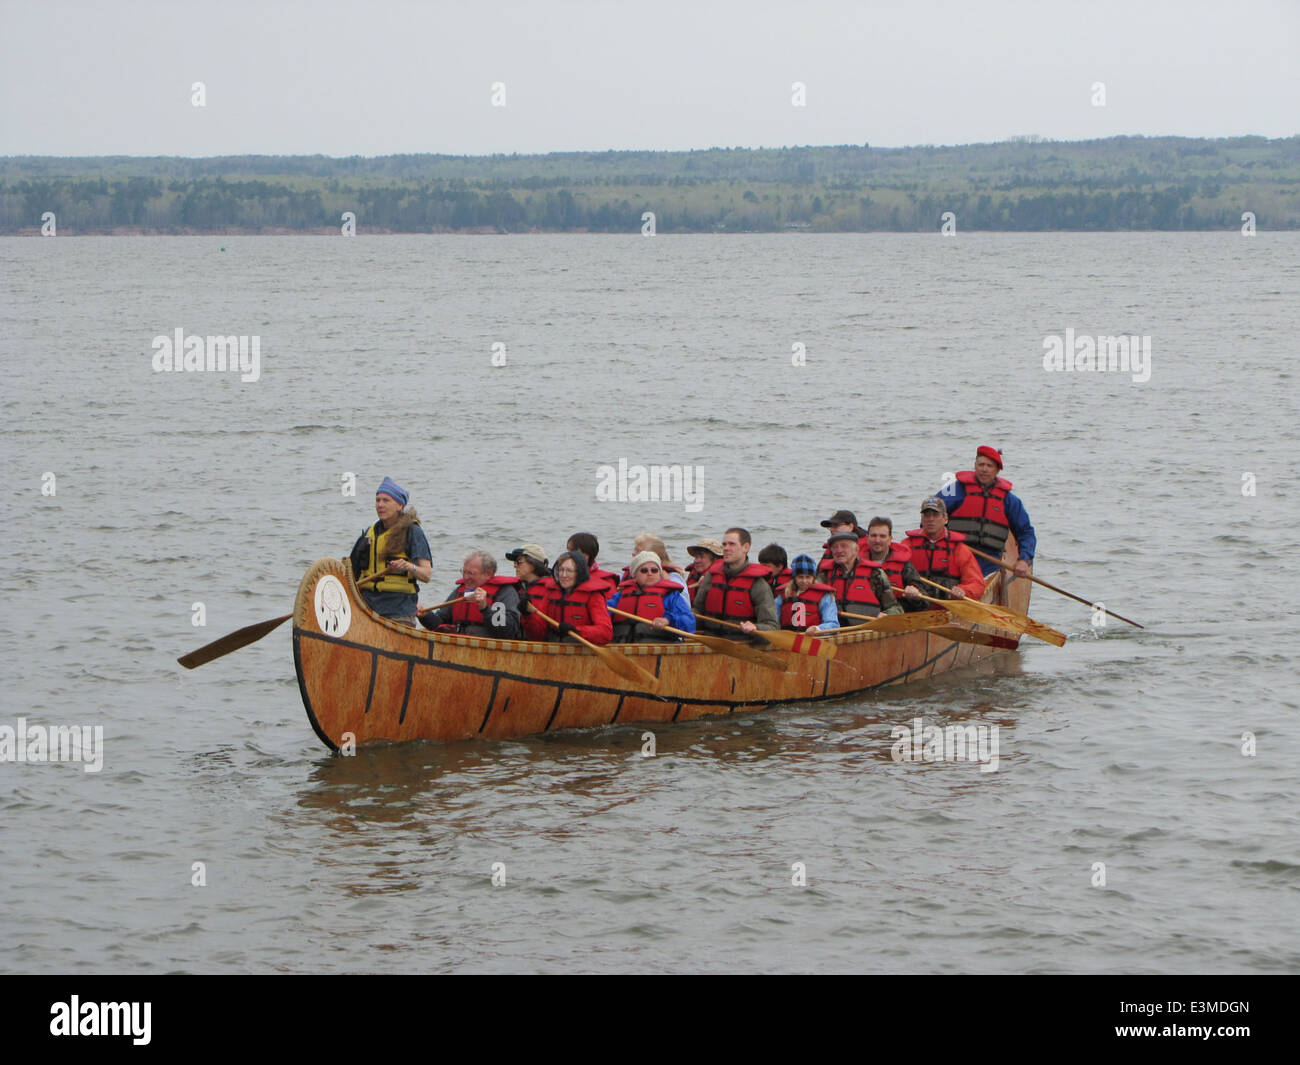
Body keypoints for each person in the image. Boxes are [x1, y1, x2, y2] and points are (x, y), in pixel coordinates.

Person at [937, 445, 1036, 577]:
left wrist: (1023, 560)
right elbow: (931, 515)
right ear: (975, 465)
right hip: (955, 554)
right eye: (981, 464)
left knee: (976, 580)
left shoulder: (1009, 500)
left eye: (989, 466)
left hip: (989, 562)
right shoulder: (955, 491)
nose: (984, 469)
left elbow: (1026, 532)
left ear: (997, 470)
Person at [349, 476, 432, 626]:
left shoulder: (412, 532)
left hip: (399, 612)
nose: (380, 505)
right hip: (367, 609)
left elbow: (426, 575)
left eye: (386, 500)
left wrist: (408, 566)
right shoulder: (369, 533)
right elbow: (349, 573)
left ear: (400, 505)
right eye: (377, 500)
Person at [692, 527, 778, 639]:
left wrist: (756, 628)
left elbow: (772, 626)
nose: (726, 548)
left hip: (741, 644)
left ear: (746, 547)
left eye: (732, 544)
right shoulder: (711, 576)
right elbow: (697, 611)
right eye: (724, 544)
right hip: (711, 640)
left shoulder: (758, 583)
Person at [419, 549, 522, 638]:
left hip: (488, 649)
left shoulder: (504, 592)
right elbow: (440, 624)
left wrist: (485, 608)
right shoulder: (461, 590)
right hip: (458, 645)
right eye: (464, 572)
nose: (466, 577)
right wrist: (425, 616)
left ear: (488, 574)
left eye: (471, 573)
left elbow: (507, 632)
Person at [902, 497, 984, 603]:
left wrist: (963, 590)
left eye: (935, 515)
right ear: (922, 519)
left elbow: (977, 584)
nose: (931, 519)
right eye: (927, 515)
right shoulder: (907, 545)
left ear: (945, 518)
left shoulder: (959, 549)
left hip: (948, 606)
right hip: (916, 604)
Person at [522, 551, 613, 644]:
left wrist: (577, 631)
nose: (563, 575)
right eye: (561, 570)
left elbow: (605, 633)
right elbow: (537, 636)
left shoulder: (593, 595)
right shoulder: (551, 593)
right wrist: (527, 616)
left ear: (579, 573)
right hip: (554, 648)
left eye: (569, 571)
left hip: (580, 650)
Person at [608, 551, 696, 643]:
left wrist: (668, 620)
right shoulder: (620, 596)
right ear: (634, 576)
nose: (650, 573)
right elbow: (604, 614)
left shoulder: (671, 596)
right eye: (644, 570)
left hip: (659, 649)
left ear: (659, 573)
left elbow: (689, 622)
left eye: (654, 570)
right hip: (621, 647)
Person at [824, 531, 900, 620]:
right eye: (835, 547)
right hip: (832, 629)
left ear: (856, 550)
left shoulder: (875, 574)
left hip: (868, 629)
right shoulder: (824, 574)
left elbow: (895, 608)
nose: (839, 550)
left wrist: (886, 615)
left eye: (844, 546)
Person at [863, 517, 926, 612]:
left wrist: (916, 596)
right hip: (865, 614)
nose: (877, 540)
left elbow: (925, 602)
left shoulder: (905, 566)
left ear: (890, 539)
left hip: (897, 616)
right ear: (867, 537)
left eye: (882, 536)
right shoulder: (855, 562)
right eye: (873, 536)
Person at [774, 554, 839, 632]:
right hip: (788, 637)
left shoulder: (825, 596)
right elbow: (774, 619)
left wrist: (817, 629)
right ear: (794, 578)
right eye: (800, 577)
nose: (804, 581)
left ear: (813, 577)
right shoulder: (783, 595)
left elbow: (833, 624)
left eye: (808, 577)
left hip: (813, 638)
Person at [565, 532, 620, 597]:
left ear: (586, 555)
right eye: (568, 551)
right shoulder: (562, 576)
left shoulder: (606, 581)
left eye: (573, 552)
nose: (567, 555)